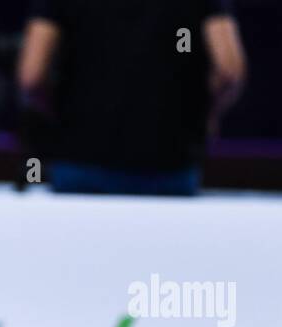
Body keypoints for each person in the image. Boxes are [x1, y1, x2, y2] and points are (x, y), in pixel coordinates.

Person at [17, 0, 246, 196]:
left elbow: (32, 77)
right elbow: (228, 70)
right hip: (168, 161)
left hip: (80, 159)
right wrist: (207, 115)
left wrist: (53, 112)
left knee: (81, 247)